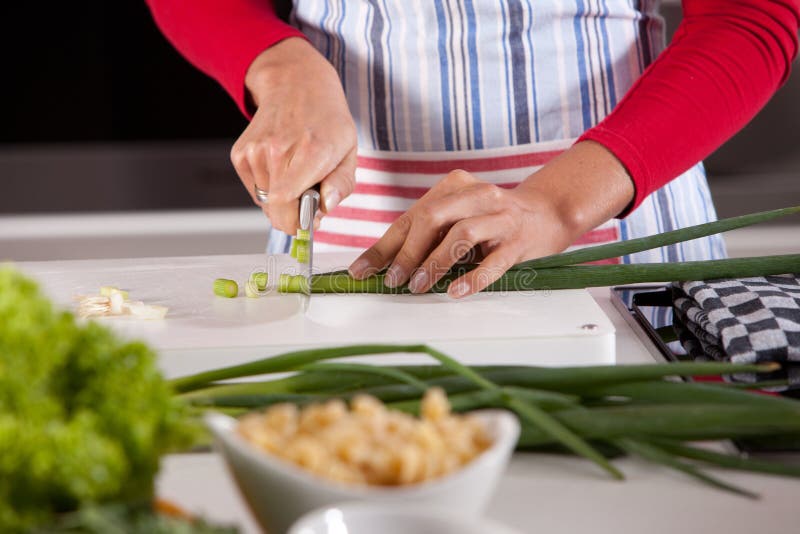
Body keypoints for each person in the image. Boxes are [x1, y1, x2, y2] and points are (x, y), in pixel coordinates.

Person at [147, 0, 798, 298]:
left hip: (612, 218)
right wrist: (281, 68)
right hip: (351, 219)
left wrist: (557, 205)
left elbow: (748, 16)